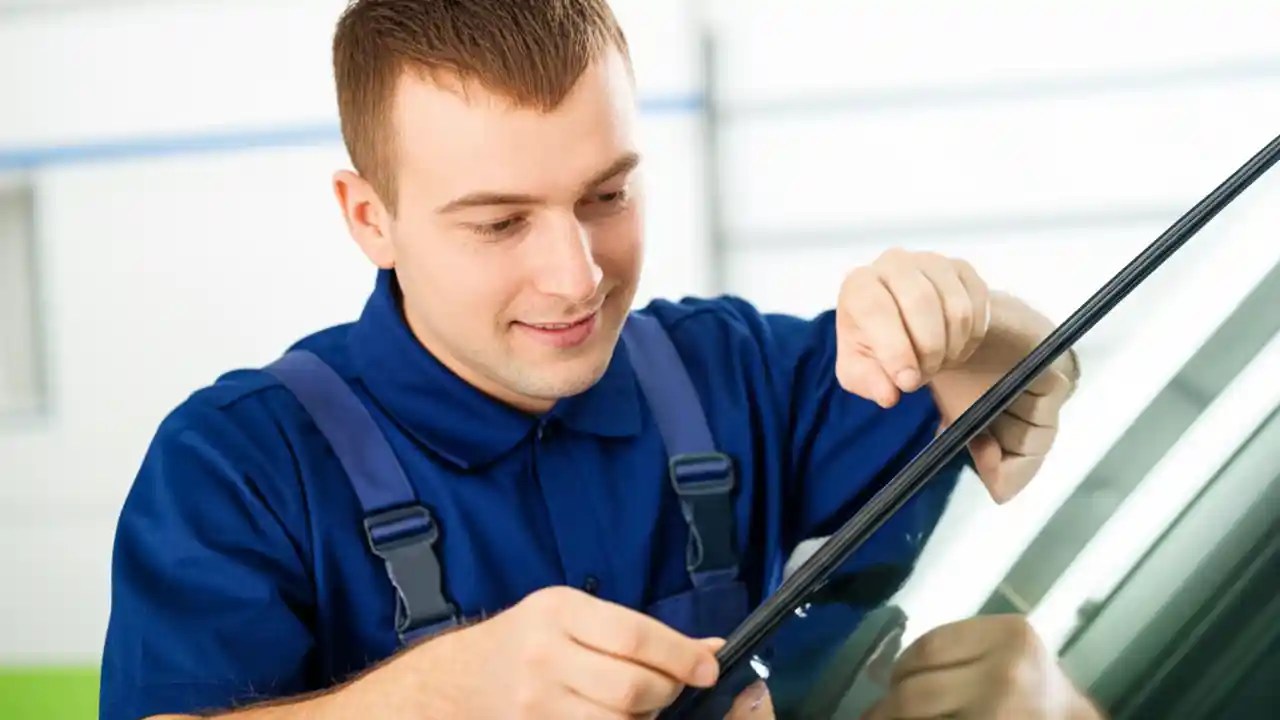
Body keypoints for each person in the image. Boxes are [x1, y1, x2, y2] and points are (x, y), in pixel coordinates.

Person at [98, 1, 1100, 718]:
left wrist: (965, 315)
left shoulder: (723, 372)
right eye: (498, 223)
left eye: (606, 196)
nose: (577, 277)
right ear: (371, 217)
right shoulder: (237, 468)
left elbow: (993, 385)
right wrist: (435, 699)